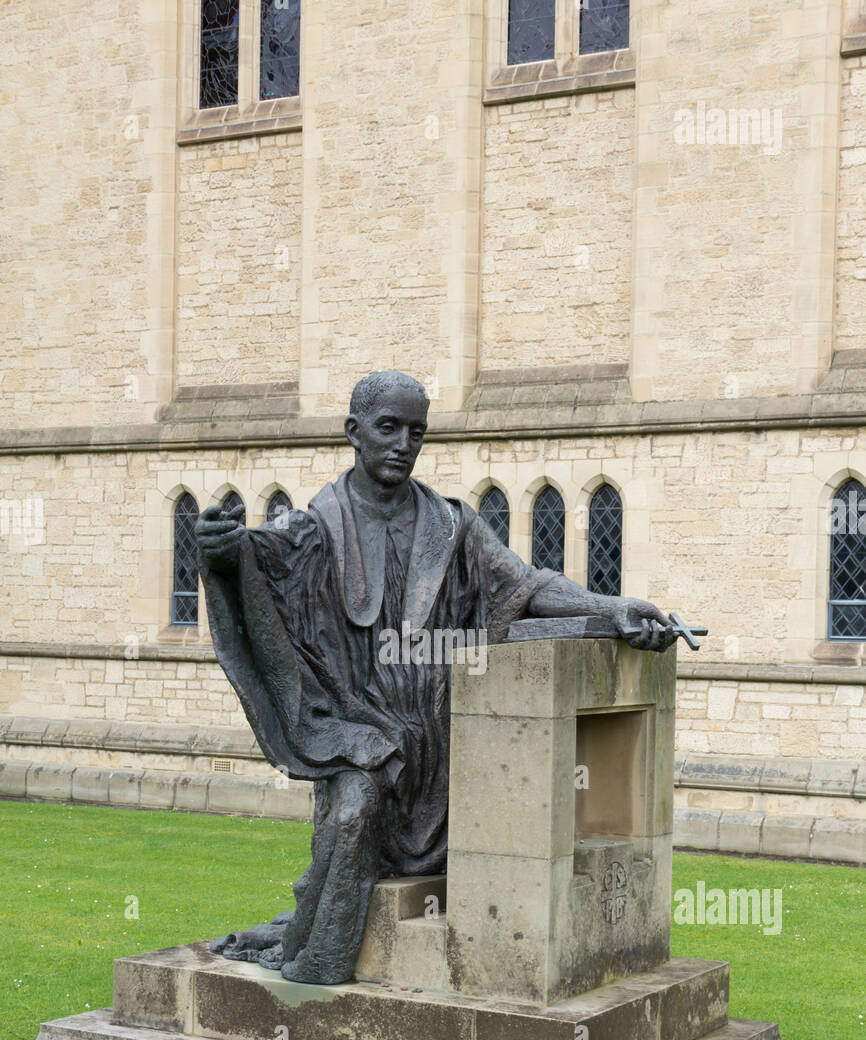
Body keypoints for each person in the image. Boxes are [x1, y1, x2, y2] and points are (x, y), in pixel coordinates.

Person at [196, 370, 675, 984]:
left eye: (415, 431)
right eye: (387, 427)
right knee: (352, 813)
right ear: (354, 432)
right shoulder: (315, 527)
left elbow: (525, 584)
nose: (402, 443)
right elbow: (252, 561)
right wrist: (220, 551)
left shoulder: (451, 525)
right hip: (359, 734)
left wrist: (610, 607)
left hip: (444, 738)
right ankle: (316, 968)